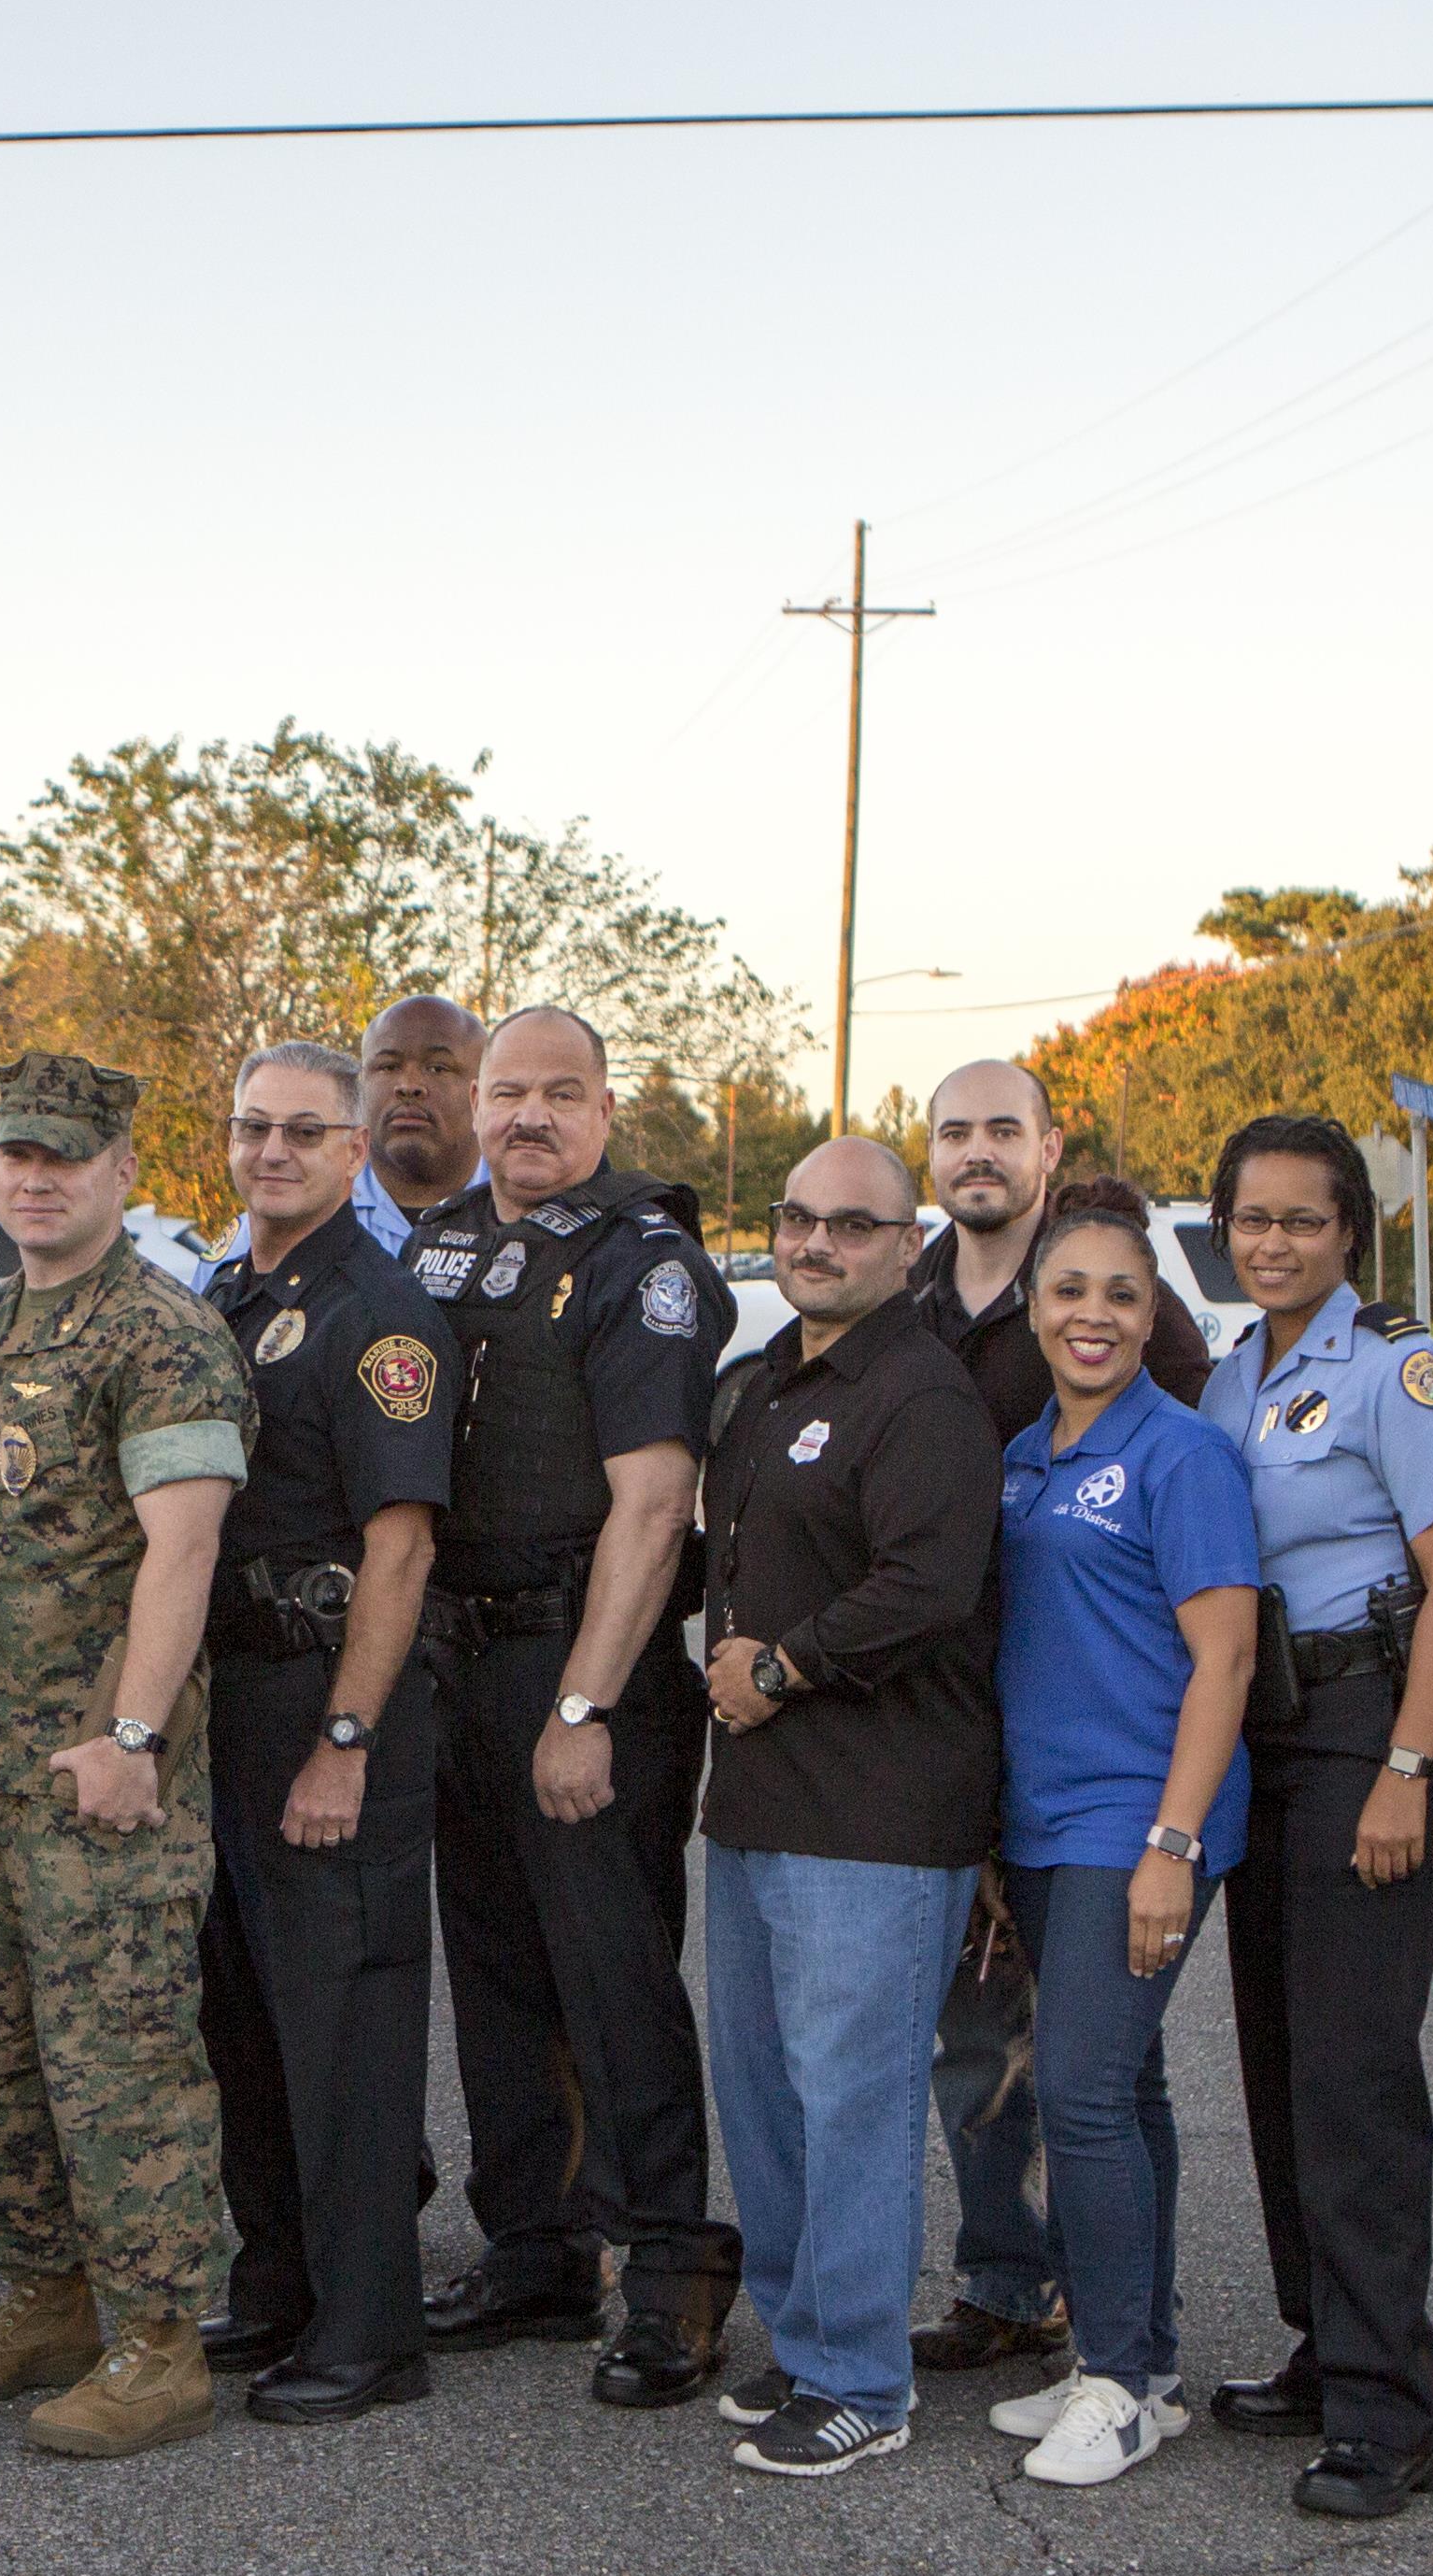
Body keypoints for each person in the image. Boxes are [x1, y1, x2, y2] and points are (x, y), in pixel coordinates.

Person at [0, 1053, 250, 2460]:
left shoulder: (158, 1333)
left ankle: (160, 2341)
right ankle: (46, 2300)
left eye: (63, 1156)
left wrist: (129, 1734)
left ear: (121, 1171)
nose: (35, 1179)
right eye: (16, 1156)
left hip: (100, 1781)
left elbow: (185, 1548)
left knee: (121, 2063)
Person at [400, 1009, 743, 2406]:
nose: (527, 1117)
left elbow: (653, 1508)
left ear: (604, 1108)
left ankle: (668, 2267)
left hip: (581, 1661)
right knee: (492, 1971)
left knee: (612, 1978)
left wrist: (584, 1703)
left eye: (558, 1093)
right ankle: (536, 2246)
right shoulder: (434, 1244)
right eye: (505, 1092)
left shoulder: (641, 1261)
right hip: (456, 1660)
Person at [691, 1138, 1009, 2478]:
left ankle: (861, 2378)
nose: (816, 1241)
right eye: (797, 1217)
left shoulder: (920, 1394)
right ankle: (804, 2334)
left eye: (852, 1223)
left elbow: (929, 1582)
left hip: (874, 1810)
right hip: (757, 1801)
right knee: (763, 2090)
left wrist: (782, 1665)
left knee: (850, 2097)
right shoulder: (771, 1377)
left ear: (905, 1244)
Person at [1194, 1115, 1433, 2517]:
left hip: (1375, 1720)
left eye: (1301, 1220)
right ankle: (1323, 2340)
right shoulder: (1228, 1373)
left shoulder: (1395, 1369)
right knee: (1275, 2053)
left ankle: (1387, 2408)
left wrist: (1408, 1768)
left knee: (1352, 2068)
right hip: (1269, 1728)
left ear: (1349, 1233)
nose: (1272, 1243)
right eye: (1250, 1219)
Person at [901, 1058, 1214, 2382]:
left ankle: (1122, 2339)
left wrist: (1173, 1825)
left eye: (1002, 1129)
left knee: (1094, 2069)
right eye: (953, 1130)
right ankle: (1008, 2280)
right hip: (961, 1726)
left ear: (1047, 1145)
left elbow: (1193, 1557)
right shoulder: (908, 1296)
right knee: (975, 2032)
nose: (976, 1151)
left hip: (1112, 1753)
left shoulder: (1133, 1315)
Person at [961, 1179, 1264, 2488]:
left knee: (1080, 2089)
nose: (1093, 1313)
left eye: (1122, 1294)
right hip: (1039, 1821)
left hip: (1135, 1816)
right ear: (1031, 1305)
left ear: (1153, 1317)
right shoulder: (1023, 1455)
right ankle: (1140, 2362)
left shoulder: (1180, 1455)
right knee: (1123, 2088)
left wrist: (1172, 1843)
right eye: (1070, 1289)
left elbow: (1225, 1657)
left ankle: (1117, 2379)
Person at [192, 1042, 453, 2425]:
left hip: (328, 1697)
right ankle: (280, 2280)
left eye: (304, 1130)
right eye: (253, 1127)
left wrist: (345, 1738)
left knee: (345, 2024)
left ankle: (367, 2329)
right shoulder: (225, 1297)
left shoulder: (381, 1315)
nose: (274, 1151)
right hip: (233, 1701)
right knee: (247, 2016)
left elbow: (398, 1548)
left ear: (354, 1151)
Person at [349, 994, 486, 1256]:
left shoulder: (522, 1205)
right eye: (388, 1067)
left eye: (438, 1068)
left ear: (482, 1091)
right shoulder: (314, 1207)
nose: (408, 1086)